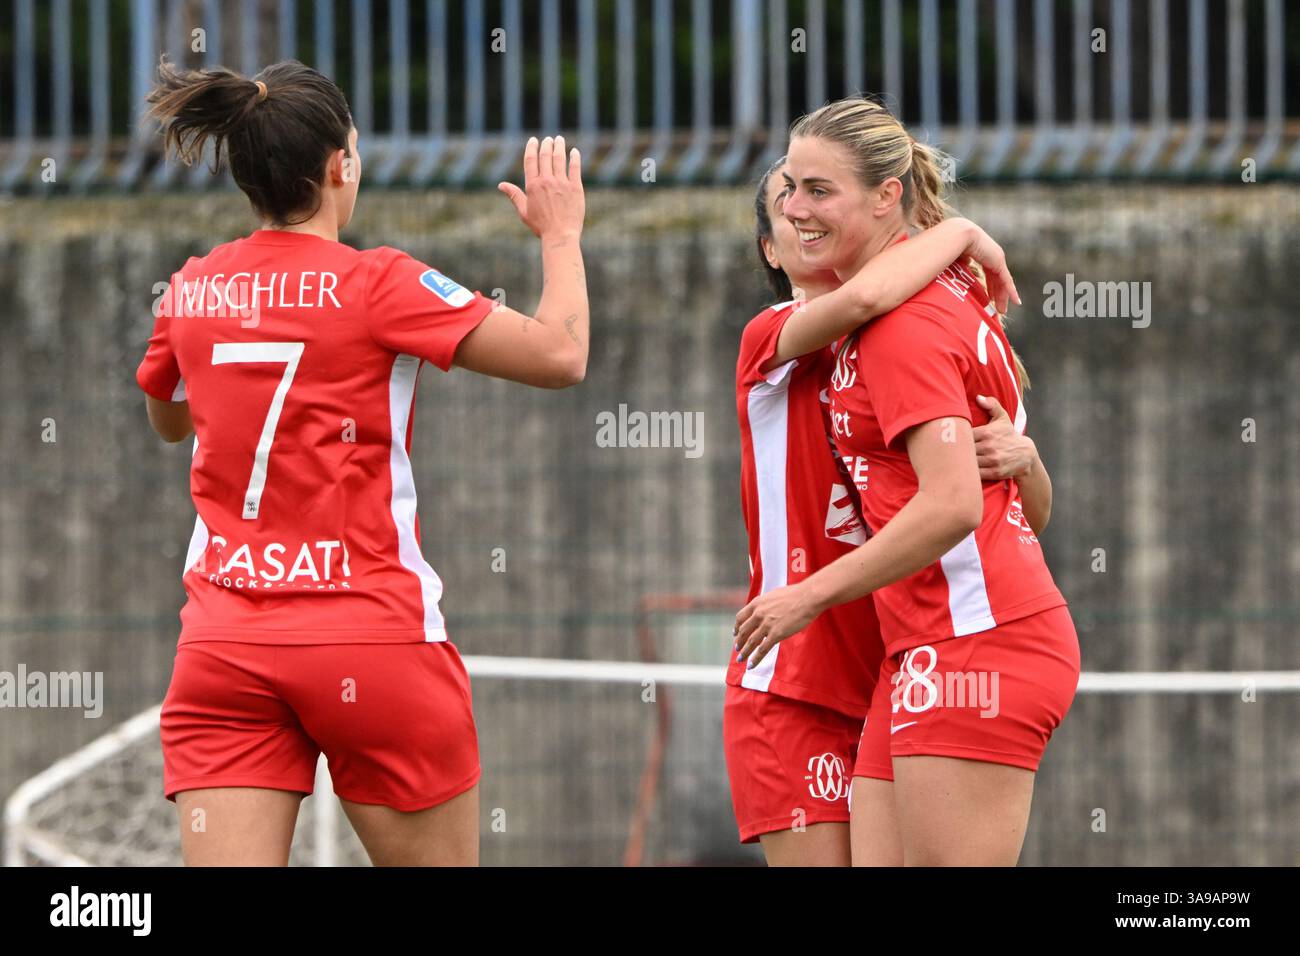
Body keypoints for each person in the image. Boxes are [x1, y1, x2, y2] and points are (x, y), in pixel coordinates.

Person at [136, 59, 588, 865]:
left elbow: (169, 419)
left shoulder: (193, 289)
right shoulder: (380, 282)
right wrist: (559, 235)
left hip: (224, 650)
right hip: (371, 641)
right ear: (341, 165)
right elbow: (560, 355)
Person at [735, 98, 1075, 866]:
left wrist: (1028, 460)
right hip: (860, 658)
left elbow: (972, 504)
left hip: (958, 639)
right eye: (789, 194)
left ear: (888, 195)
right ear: (769, 248)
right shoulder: (806, 329)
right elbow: (862, 294)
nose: (797, 209)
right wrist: (958, 233)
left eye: (818, 191)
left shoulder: (906, 322)